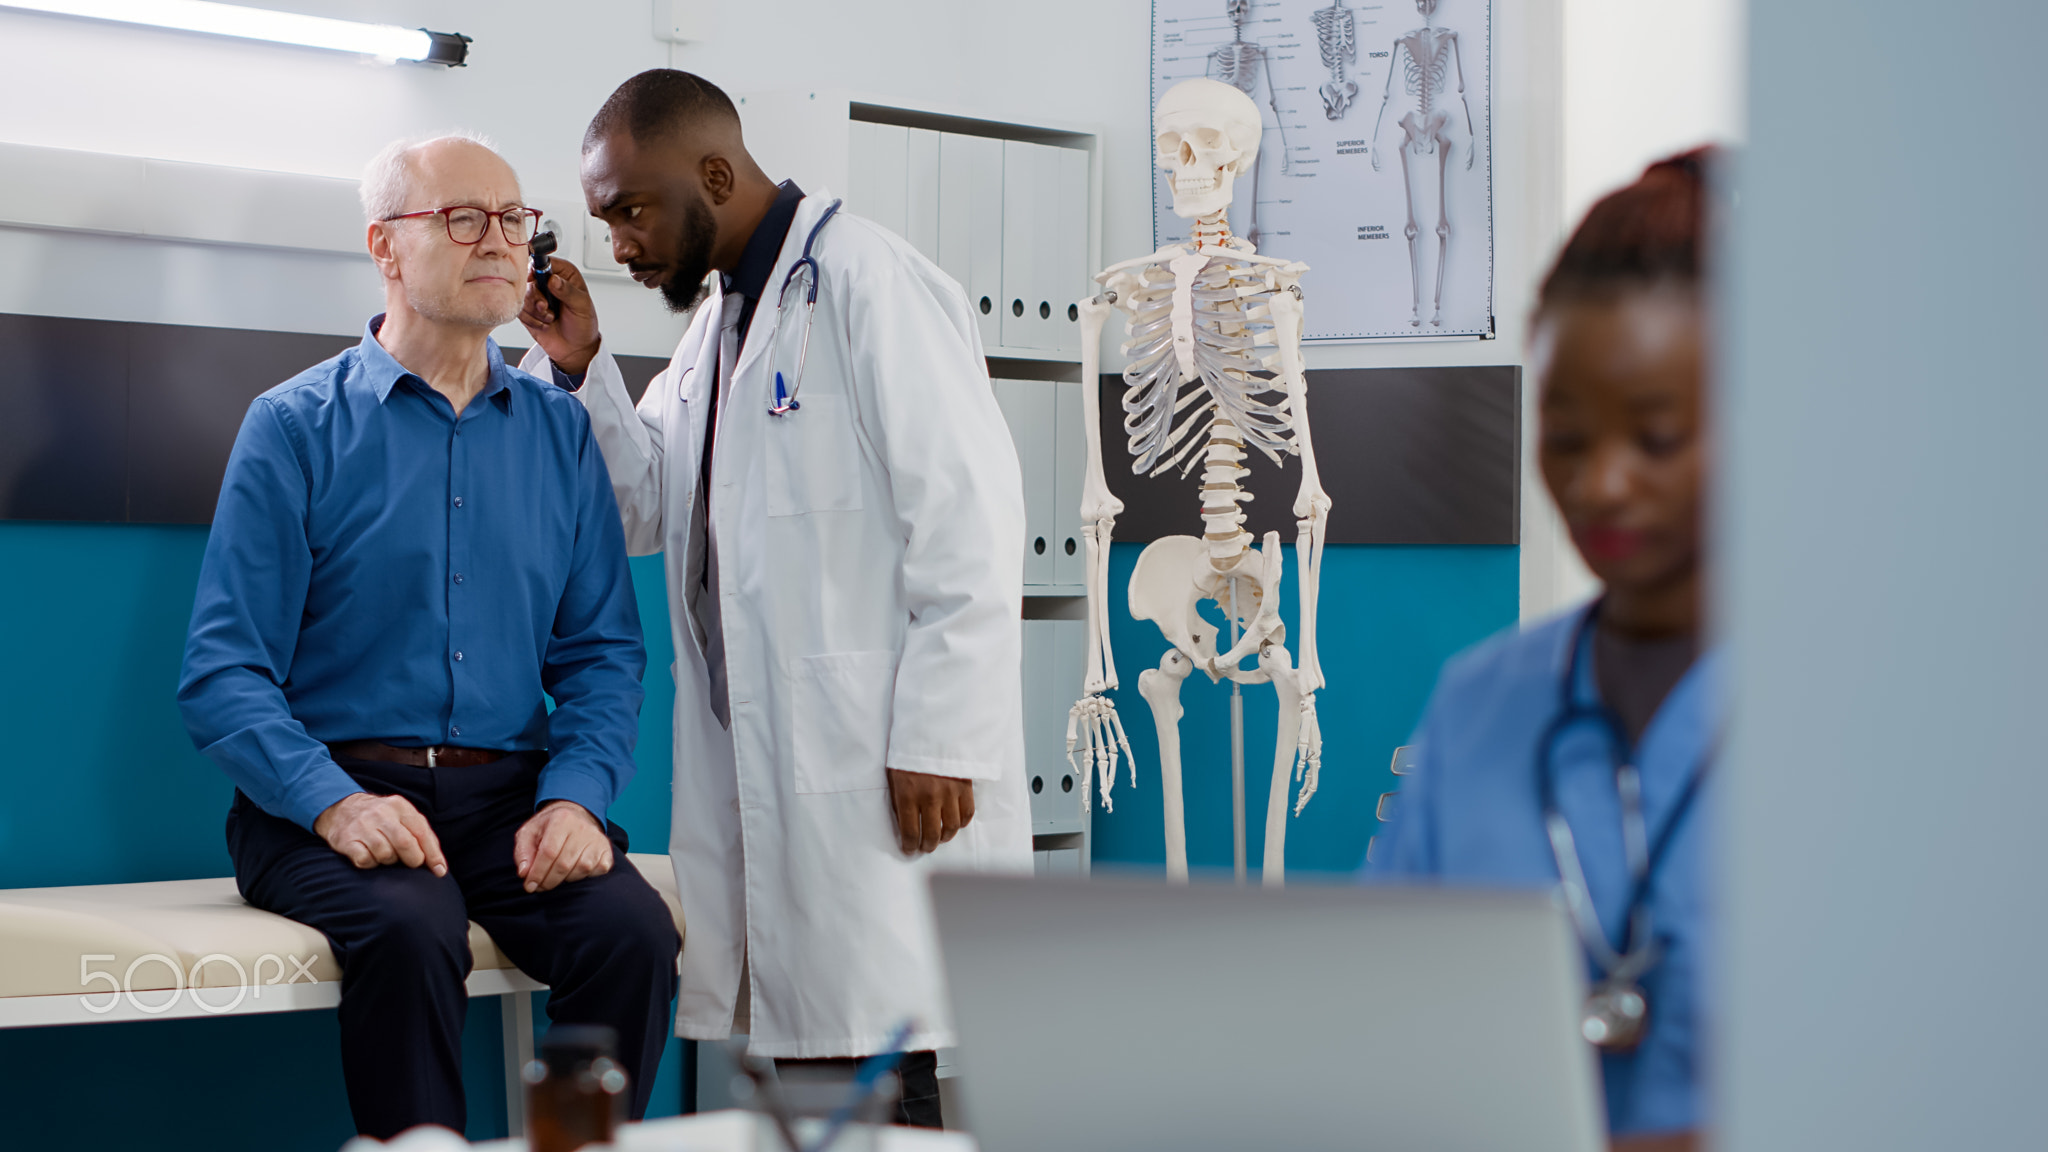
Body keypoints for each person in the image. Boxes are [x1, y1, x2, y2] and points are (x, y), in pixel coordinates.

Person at [515, 70, 1030, 1126]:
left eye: (630, 209)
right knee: (813, 1076)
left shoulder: (870, 283)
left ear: (714, 173)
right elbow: (645, 505)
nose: (616, 245)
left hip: (878, 752)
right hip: (775, 761)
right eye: (604, 218)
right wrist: (582, 368)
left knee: (879, 1067)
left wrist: (939, 734)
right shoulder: (717, 328)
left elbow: (969, 523)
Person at [177, 133, 680, 1140]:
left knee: (631, 932)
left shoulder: (558, 432)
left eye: (512, 219)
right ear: (385, 247)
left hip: (508, 802)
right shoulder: (293, 427)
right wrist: (333, 806)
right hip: (333, 797)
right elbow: (223, 674)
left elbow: (600, 658)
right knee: (411, 930)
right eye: (462, 218)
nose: (497, 241)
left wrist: (577, 800)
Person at [1364, 150, 1720, 1152]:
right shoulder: (1483, 702)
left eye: (1653, 438)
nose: (1600, 484)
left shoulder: (1888, 720)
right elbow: (1378, 1020)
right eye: (1564, 436)